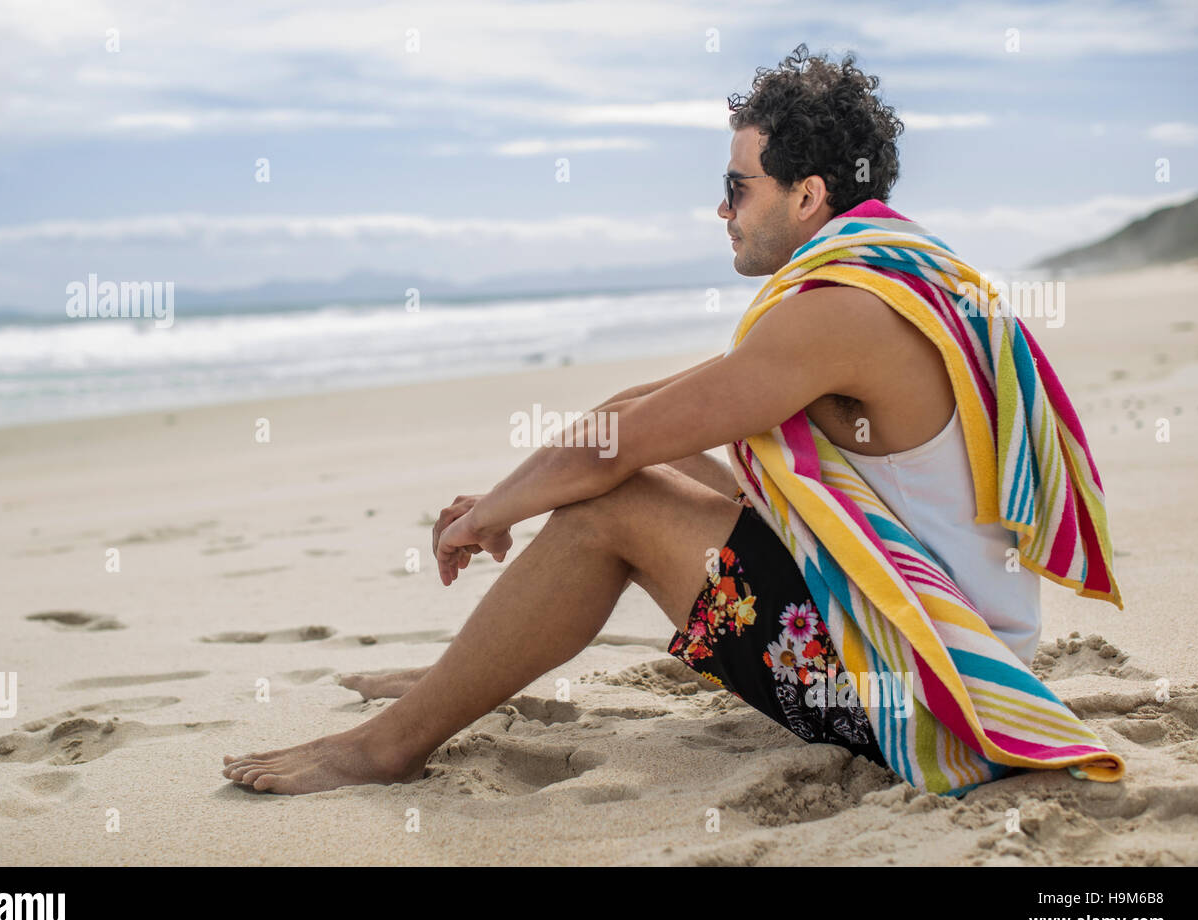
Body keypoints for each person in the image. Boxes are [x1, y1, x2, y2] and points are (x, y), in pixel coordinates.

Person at [222, 45, 1036, 794]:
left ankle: (386, 746)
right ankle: (464, 674)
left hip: (924, 691)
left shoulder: (839, 312)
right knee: (664, 469)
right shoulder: (900, 273)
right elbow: (630, 415)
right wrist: (501, 500)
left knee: (610, 505)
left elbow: (612, 452)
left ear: (809, 195)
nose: (721, 210)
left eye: (736, 187)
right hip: (938, 634)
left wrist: (485, 521)